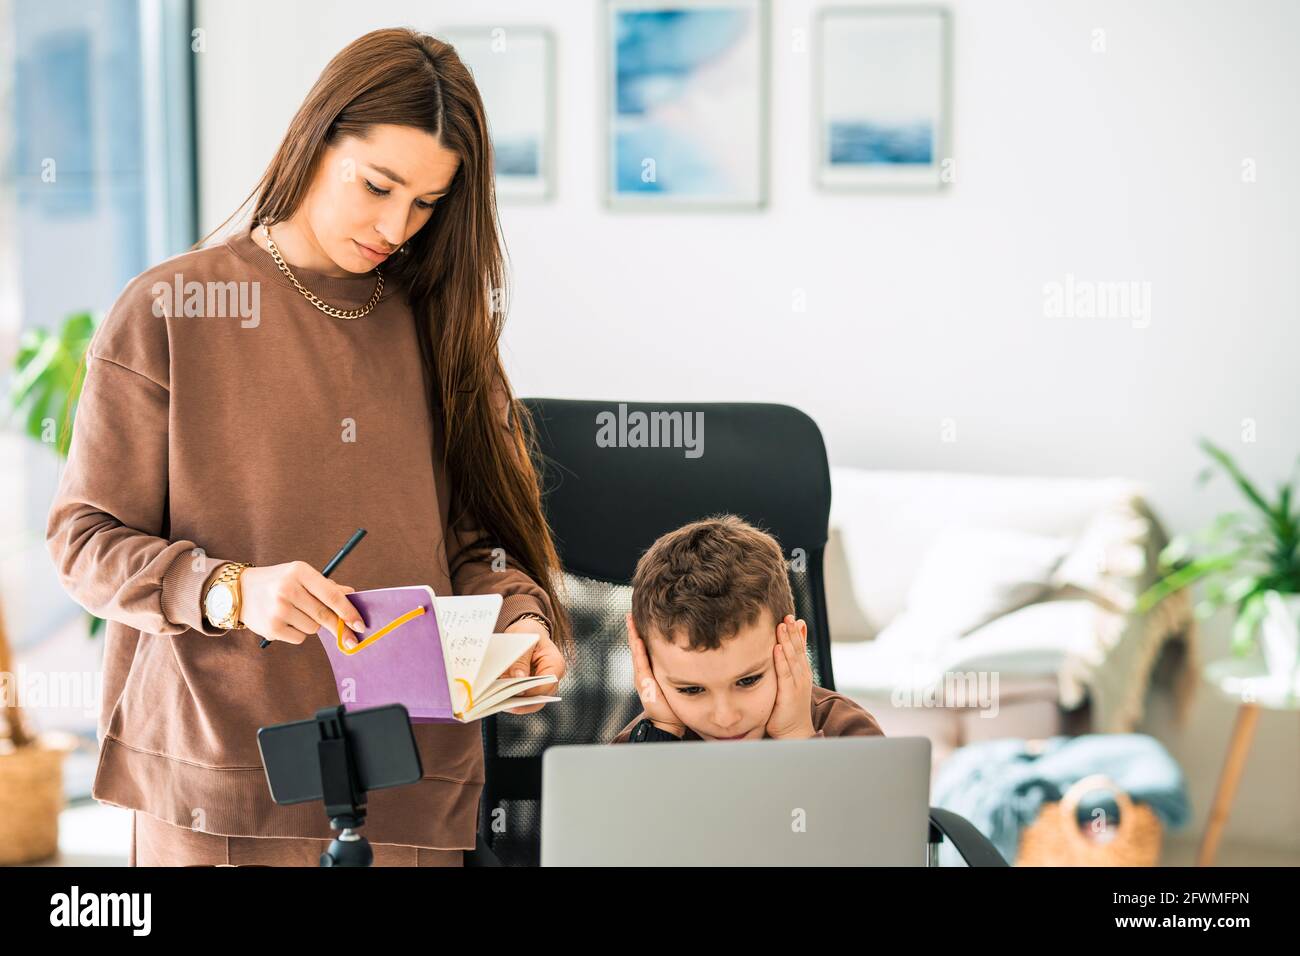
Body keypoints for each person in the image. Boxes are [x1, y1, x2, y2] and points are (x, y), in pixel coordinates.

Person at [45, 27, 570, 866]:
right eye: (378, 185)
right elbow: (83, 542)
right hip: (218, 781)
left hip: (408, 780)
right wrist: (229, 591)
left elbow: (482, 543)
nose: (397, 225)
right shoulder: (170, 311)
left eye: (429, 202)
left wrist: (519, 624)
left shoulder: (440, 328)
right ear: (315, 138)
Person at [612, 515, 884, 743]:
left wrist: (796, 737)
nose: (725, 718)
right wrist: (661, 734)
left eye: (748, 680)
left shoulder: (850, 735)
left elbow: (857, 808)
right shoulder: (638, 749)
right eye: (691, 690)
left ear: (796, 645)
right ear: (646, 666)